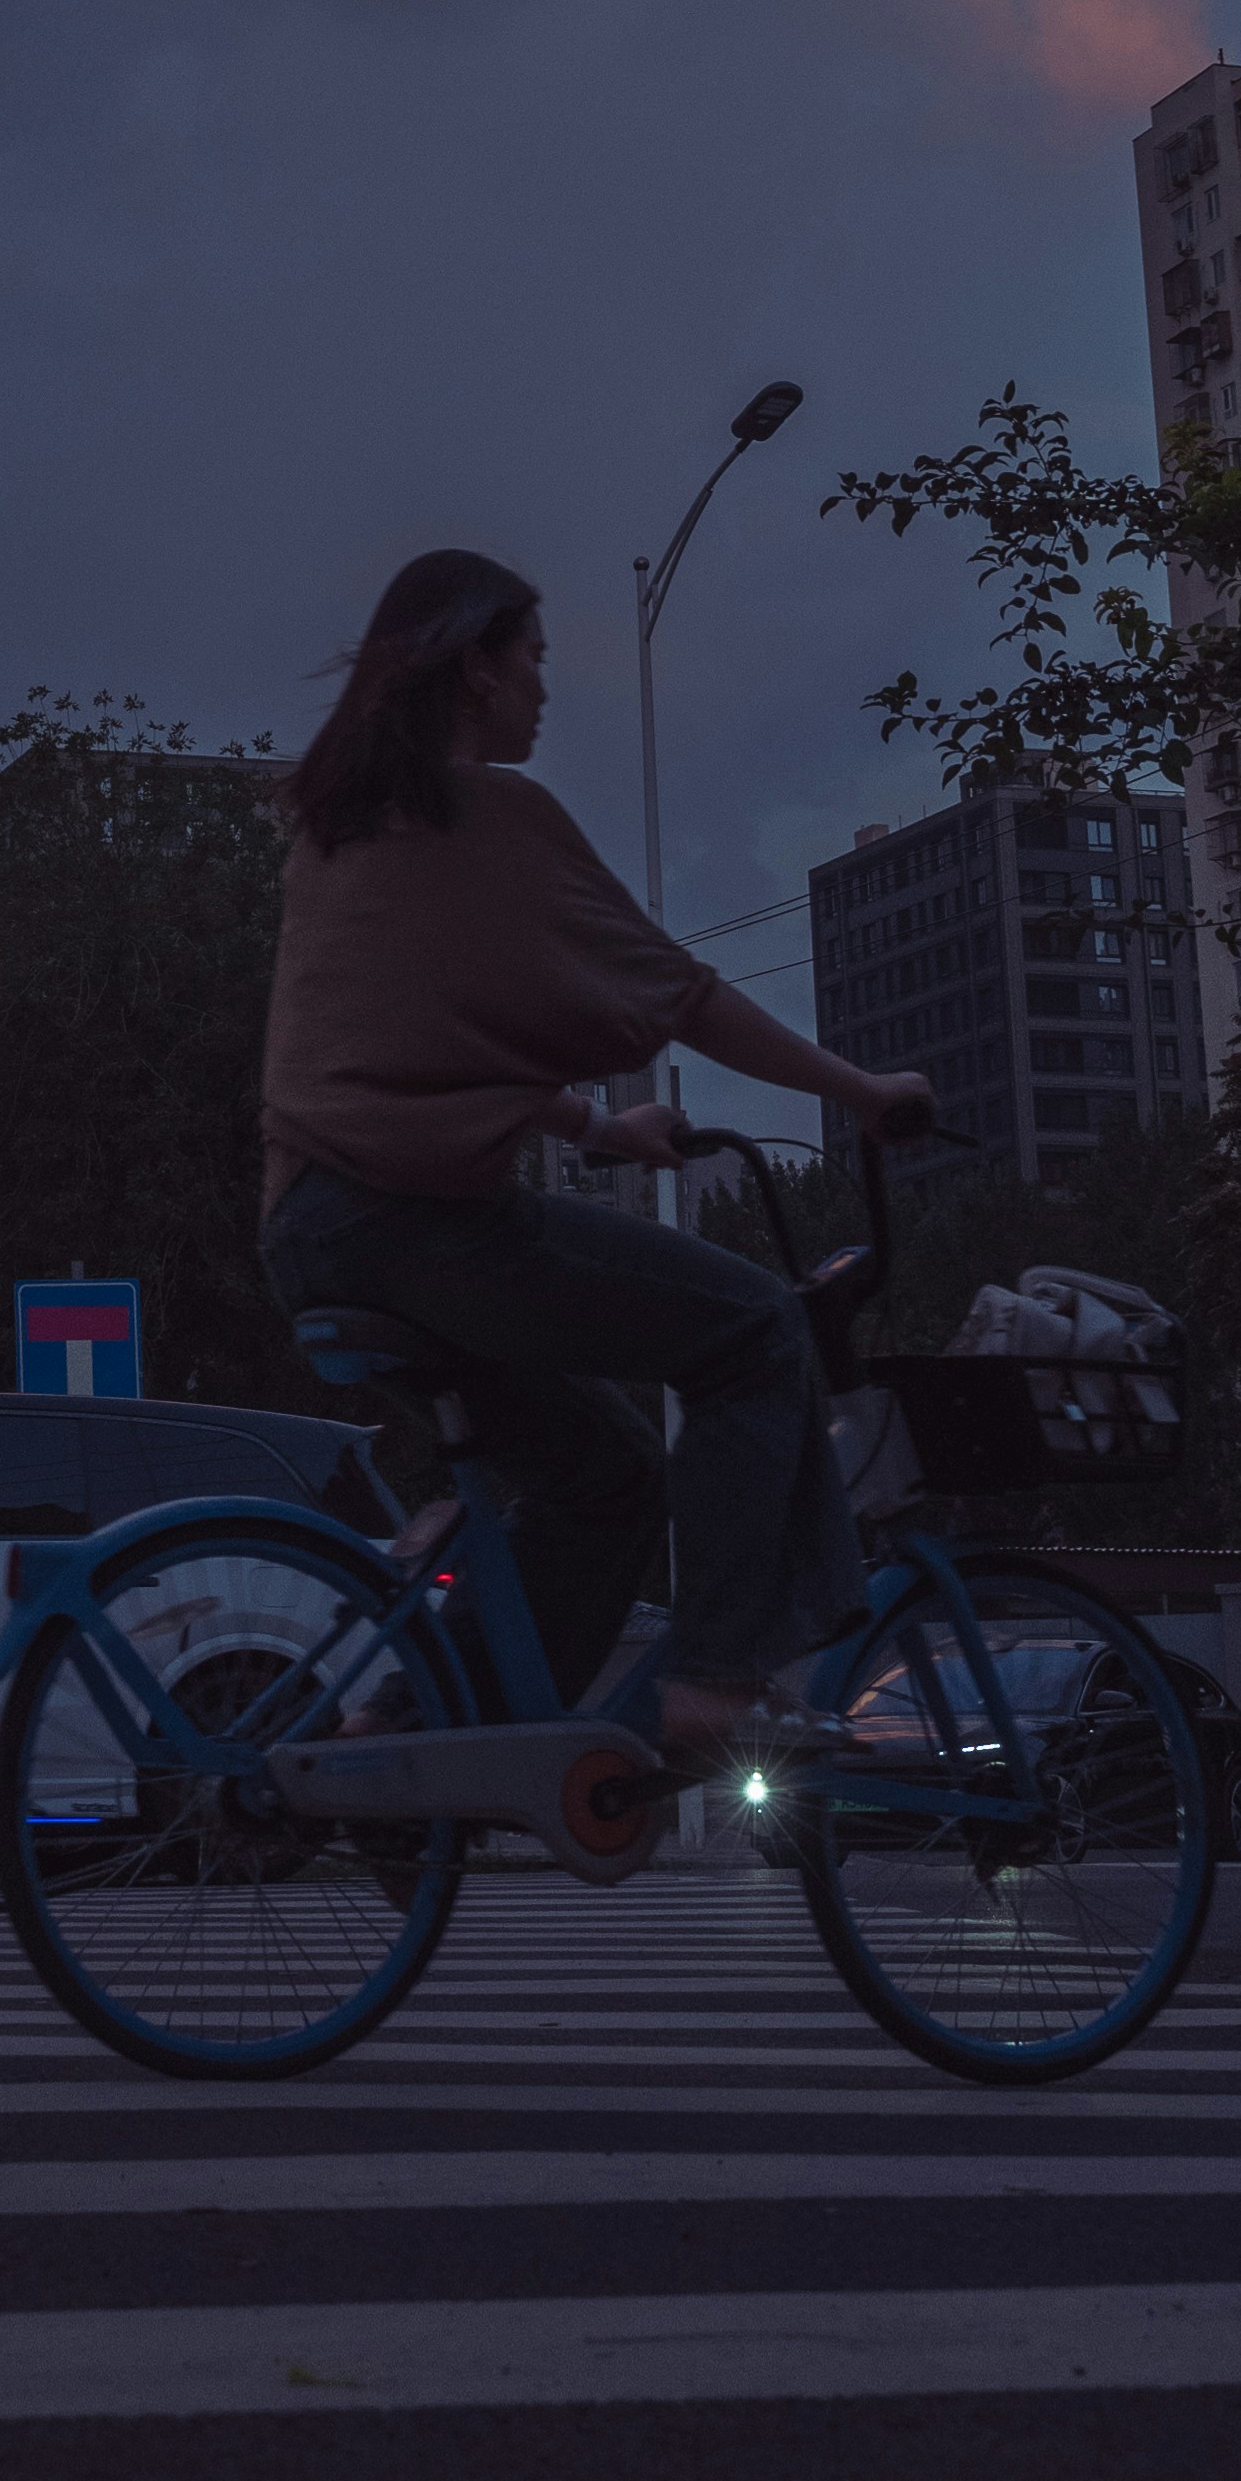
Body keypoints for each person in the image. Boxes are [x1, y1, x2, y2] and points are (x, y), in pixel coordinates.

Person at [259, 544, 933, 1774]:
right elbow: (680, 993)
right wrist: (863, 1089)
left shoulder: (340, 828)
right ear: (476, 667)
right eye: (535, 658)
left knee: (610, 1472)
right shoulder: (493, 812)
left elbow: (409, 1050)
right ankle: (716, 1683)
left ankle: (408, 1741)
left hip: (314, 1226)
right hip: (416, 1228)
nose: (545, 689)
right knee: (754, 1331)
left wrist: (595, 1127)